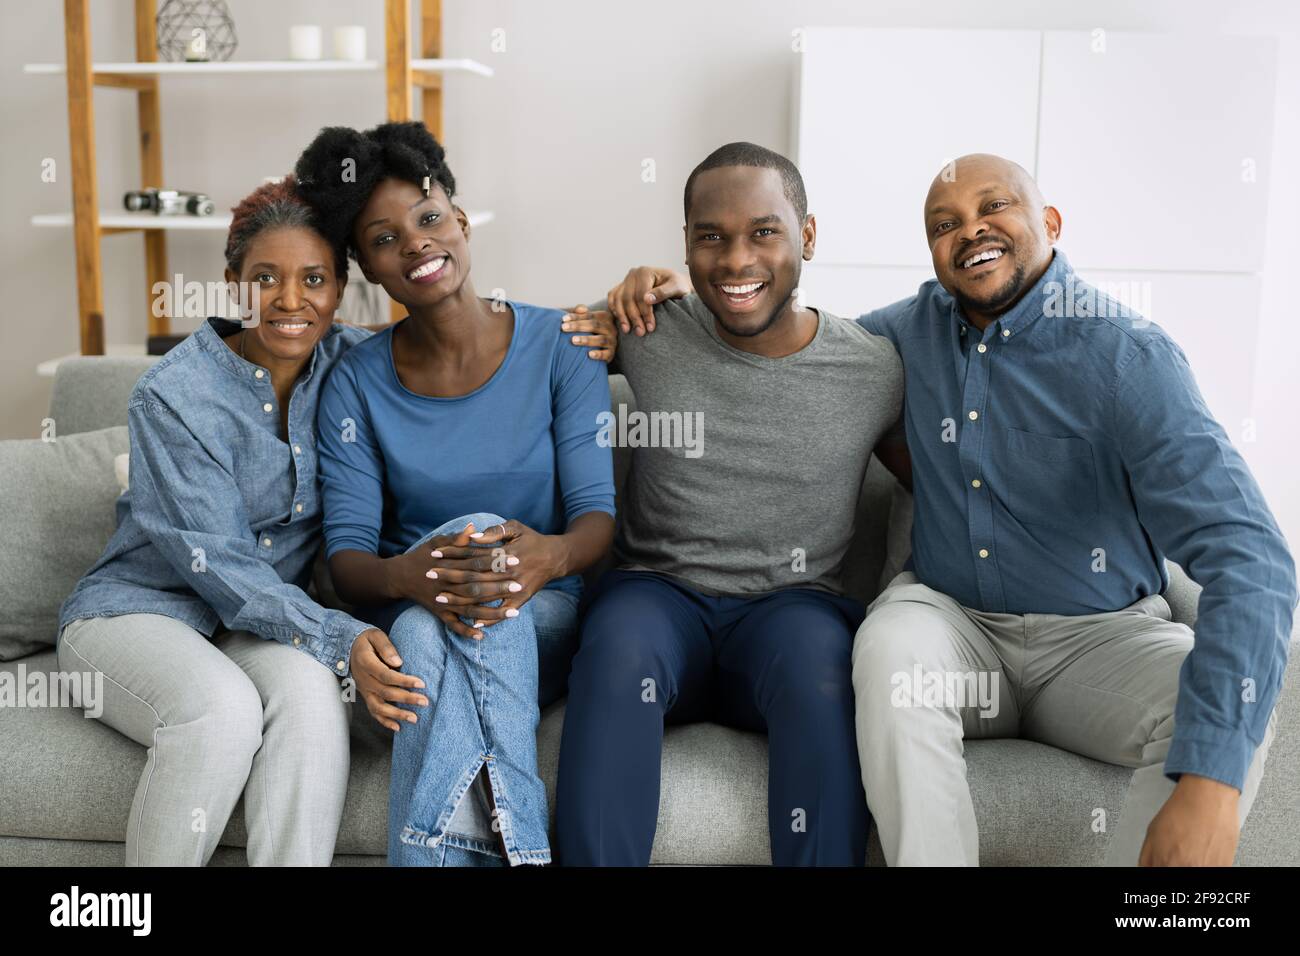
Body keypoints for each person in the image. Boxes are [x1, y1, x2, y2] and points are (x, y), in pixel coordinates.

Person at [608, 153, 1297, 867]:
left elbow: (1254, 559)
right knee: (888, 649)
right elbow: (783, 327)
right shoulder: (905, 334)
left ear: (1049, 223)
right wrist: (673, 294)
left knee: (1221, 702)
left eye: (993, 208)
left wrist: (1212, 782)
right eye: (946, 223)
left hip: (1101, 636)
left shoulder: (1131, 359)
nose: (971, 232)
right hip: (952, 620)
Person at [553, 142, 905, 866]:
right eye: (710, 237)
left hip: (791, 609)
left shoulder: (872, 368)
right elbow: (517, 348)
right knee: (616, 653)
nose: (736, 259)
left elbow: (949, 475)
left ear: (807, 236)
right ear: (685, 245)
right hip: (657, 598)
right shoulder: (648, 326)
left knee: (822, 669)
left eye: (763, 232)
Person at [295, 121, 616, 867]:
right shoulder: (356, 384)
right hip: (415, 604)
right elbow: (346, 560)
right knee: (417, 634)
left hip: (547, 610)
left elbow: (598, 520)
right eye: (384, 238)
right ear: (369, 269)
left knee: (473, 543)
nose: (415, 244)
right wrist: (414, 575)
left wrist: (548, 557)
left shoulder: (562, 347)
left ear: (462, 222)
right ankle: (519, 850)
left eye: (429, 218)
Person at [55, 176, 399, 865]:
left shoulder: (352, 364)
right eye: (266, 278)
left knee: (309, 700)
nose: (291, 300)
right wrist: (341, 635)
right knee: (220, 715)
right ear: (234, 284)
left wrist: (605, 313)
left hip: (252, 625)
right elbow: (224, 565)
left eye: (314, 279)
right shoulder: (174, 394)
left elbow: (462, 337)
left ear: (339, 288)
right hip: (138, 613)